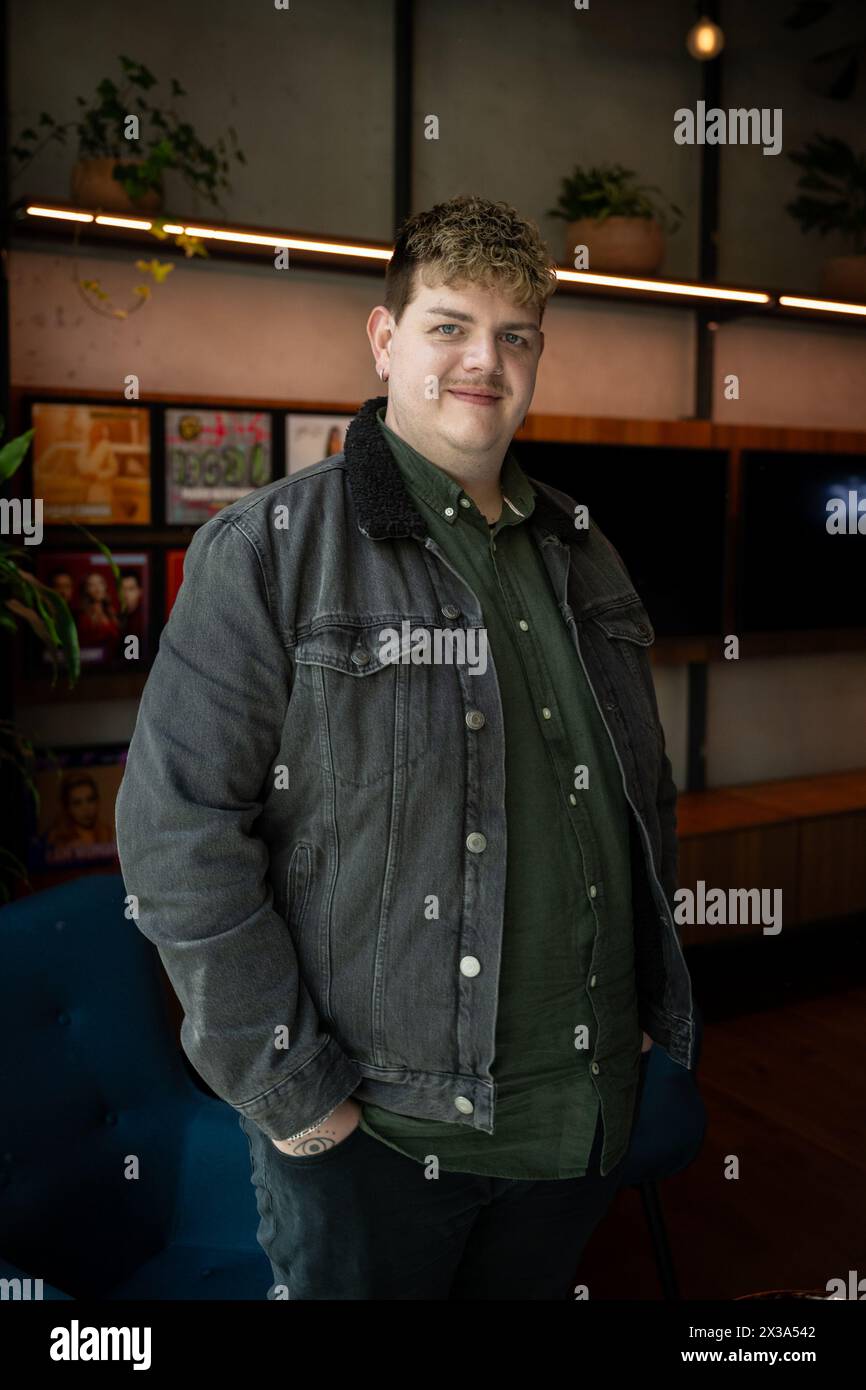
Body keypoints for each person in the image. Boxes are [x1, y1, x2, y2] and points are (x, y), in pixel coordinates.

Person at [115, 193, 695, 1300]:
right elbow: (175, 830)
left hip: (572, 1121)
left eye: (515, 336)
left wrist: (632, 1012)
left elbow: (640, 794)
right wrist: (292, 1091)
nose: (485, 361)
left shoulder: (582, 549)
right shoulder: (270, 551)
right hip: (374, 1134)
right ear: (385, 340)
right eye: (449, 326)